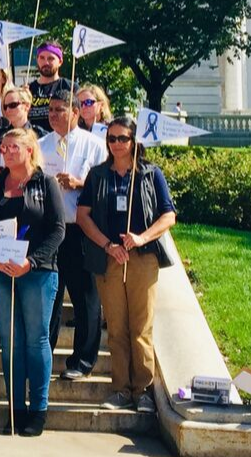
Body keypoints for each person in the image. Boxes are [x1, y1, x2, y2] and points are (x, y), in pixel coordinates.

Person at [76, 116, 177, 415]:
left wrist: (141, 238)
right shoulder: (97, 175)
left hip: (142, 259)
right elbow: (83, 216)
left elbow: (168, 216)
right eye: (111, 139)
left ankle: (143, 390)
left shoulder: (149, 174)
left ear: (134, 141)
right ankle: (120, 389)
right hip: (109, 259)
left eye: (122, 138)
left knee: (141, 327)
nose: (117, 144)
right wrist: (108, 245)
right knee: (117, 328)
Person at [0, 128, 65, 437]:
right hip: (1, 272)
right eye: (4, 146)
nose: (7, 151)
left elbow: (57, 229)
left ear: (29, 151)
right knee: (11, 342)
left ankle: (38, 409)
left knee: (36, 340)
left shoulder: (45, 183)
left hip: (37, 272)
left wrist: (32, 261)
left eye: (14, 146)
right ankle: (15, 409)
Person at [38, 91, 107, 381]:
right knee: (49, 298)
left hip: (80, 229)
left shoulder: (95, 145)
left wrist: (80, 184)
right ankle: (44, 355)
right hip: (50, 229)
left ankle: (82, 360)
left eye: (60, 109)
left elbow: (104, 186)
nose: (53, 115)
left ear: (76, 113)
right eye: (51, 110)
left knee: (85, 297)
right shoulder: (40, 145)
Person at [26, 42, 75, 132]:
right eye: (42, 58)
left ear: (60, 62)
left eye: (51, 58)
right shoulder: (27, 89)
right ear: (37, 60)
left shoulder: (70, 87)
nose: (46, 62)